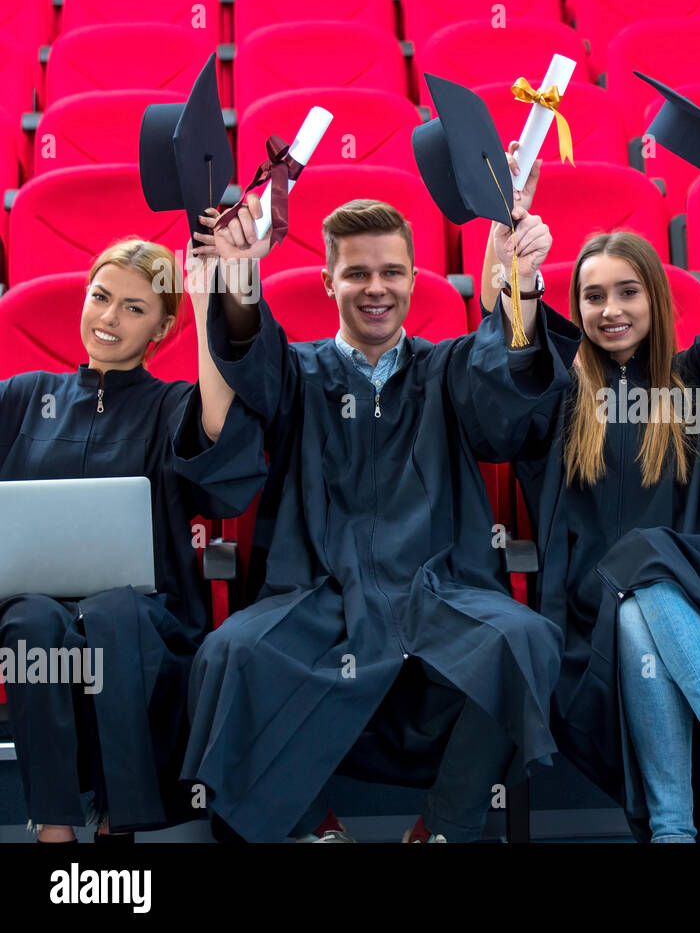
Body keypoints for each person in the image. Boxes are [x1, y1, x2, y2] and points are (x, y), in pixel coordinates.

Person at [178, 195, 578, 843]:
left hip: (435, 590)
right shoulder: (302, 372)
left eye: (391, 272)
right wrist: (238, 278)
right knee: (230, 652)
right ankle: (316, 829)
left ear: (415, 280)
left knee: (524, 638)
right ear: (328, 281)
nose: (376, 288)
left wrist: (520, 283)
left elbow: (508, 402)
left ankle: (444, 827)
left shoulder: (445, 370)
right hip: (319, 596)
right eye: (357, 273)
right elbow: (251, 357)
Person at [475, 145, 700, 841]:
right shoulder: (556, 390)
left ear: (655, 298)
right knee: (637, 577)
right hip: (583, 628)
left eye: (627, 291)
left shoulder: (690, 382)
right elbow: (502, 346)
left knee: (646, 591)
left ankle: (673, 829)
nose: (610, 309)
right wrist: (504, 240)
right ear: (573, 305)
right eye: (594, 295)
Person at [0, 238, 265, 842]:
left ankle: (118, 829)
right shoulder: (21, 397)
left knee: (114, 614)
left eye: (133, 308)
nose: (109, 319)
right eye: (101, 297)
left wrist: (204, 313)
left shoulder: (171, 404)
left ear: (161, 327)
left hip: (144, 610)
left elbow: (221, 448)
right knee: (32, 626)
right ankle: (56, 830)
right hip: (33, 604)